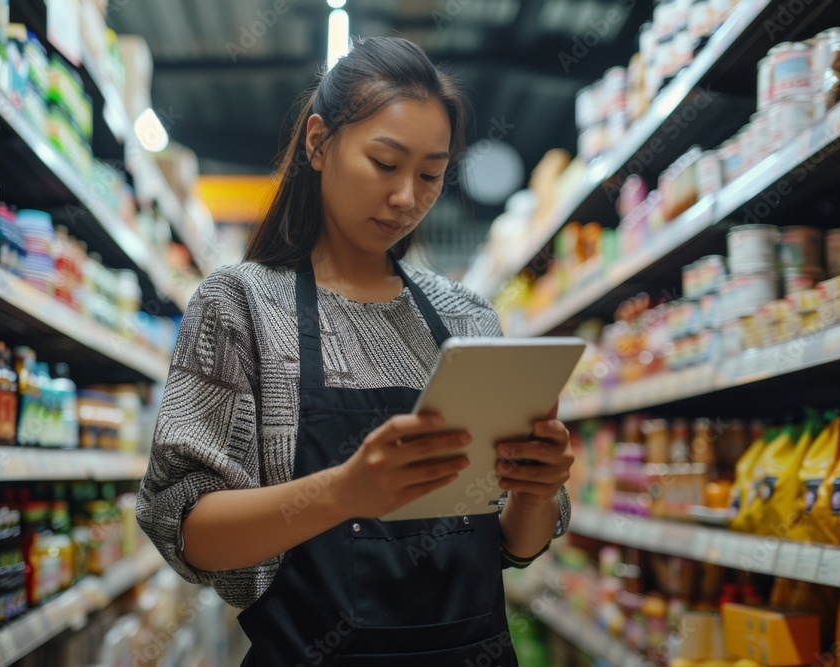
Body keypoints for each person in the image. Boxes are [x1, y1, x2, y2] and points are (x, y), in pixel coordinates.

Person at [137, 35, 574, 666]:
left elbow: (513, 548)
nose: (407, 198)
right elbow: (185, 529)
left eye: (430, 175)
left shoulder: (468, 317)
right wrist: (343, 492)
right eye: (385, 163)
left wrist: (536, 489)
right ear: (318, 143)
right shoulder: (242, 304)